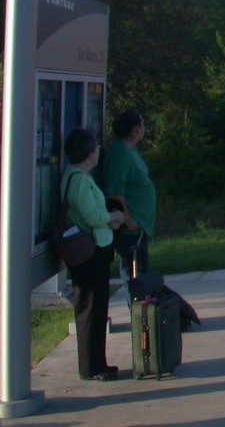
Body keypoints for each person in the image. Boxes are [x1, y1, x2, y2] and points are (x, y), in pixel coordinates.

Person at [62, 128, 125, 381]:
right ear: (89, 153)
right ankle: (91, 367)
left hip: (97, 247)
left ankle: (98, 363)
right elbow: (91, 216)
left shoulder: (81, 176)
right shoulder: (77, 179)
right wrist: (114, 216)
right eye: (96, 148)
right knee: (90, 308)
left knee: (98, 308)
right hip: (89, 252)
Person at [96, 110, 156, 296]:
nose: (143, 128)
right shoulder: (120, 153)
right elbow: (115, 191)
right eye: (142, 124)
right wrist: (127, 219)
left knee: (142, 272)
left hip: (140, 224)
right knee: (134, 273)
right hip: (131, 228)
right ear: (136, 128)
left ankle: (143, 307)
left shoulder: (130, 149)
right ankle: (138, 309)